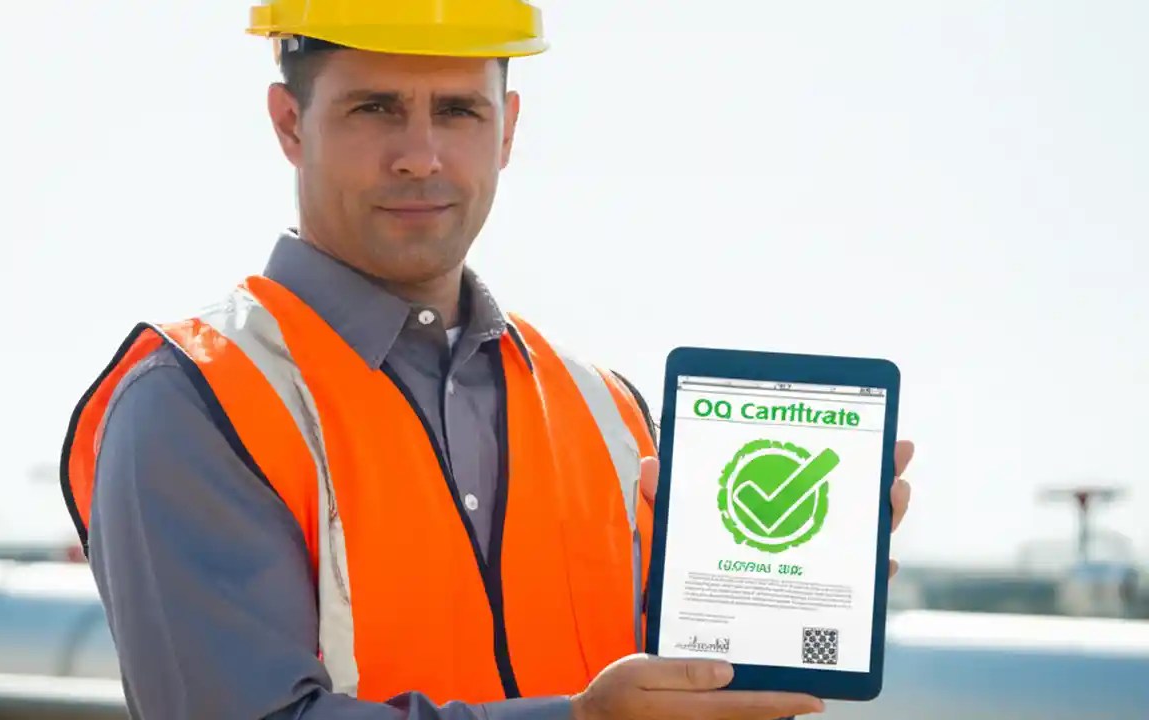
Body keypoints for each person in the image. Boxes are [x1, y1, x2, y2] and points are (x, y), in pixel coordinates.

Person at [58, 2, 916, 719]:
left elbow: (672, 688)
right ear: (289, 123)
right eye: (376, 108)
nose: (421, 155)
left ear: (506, 129)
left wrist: (780, 598)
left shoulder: (608, 412)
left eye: (458, 111)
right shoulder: (194, 399)